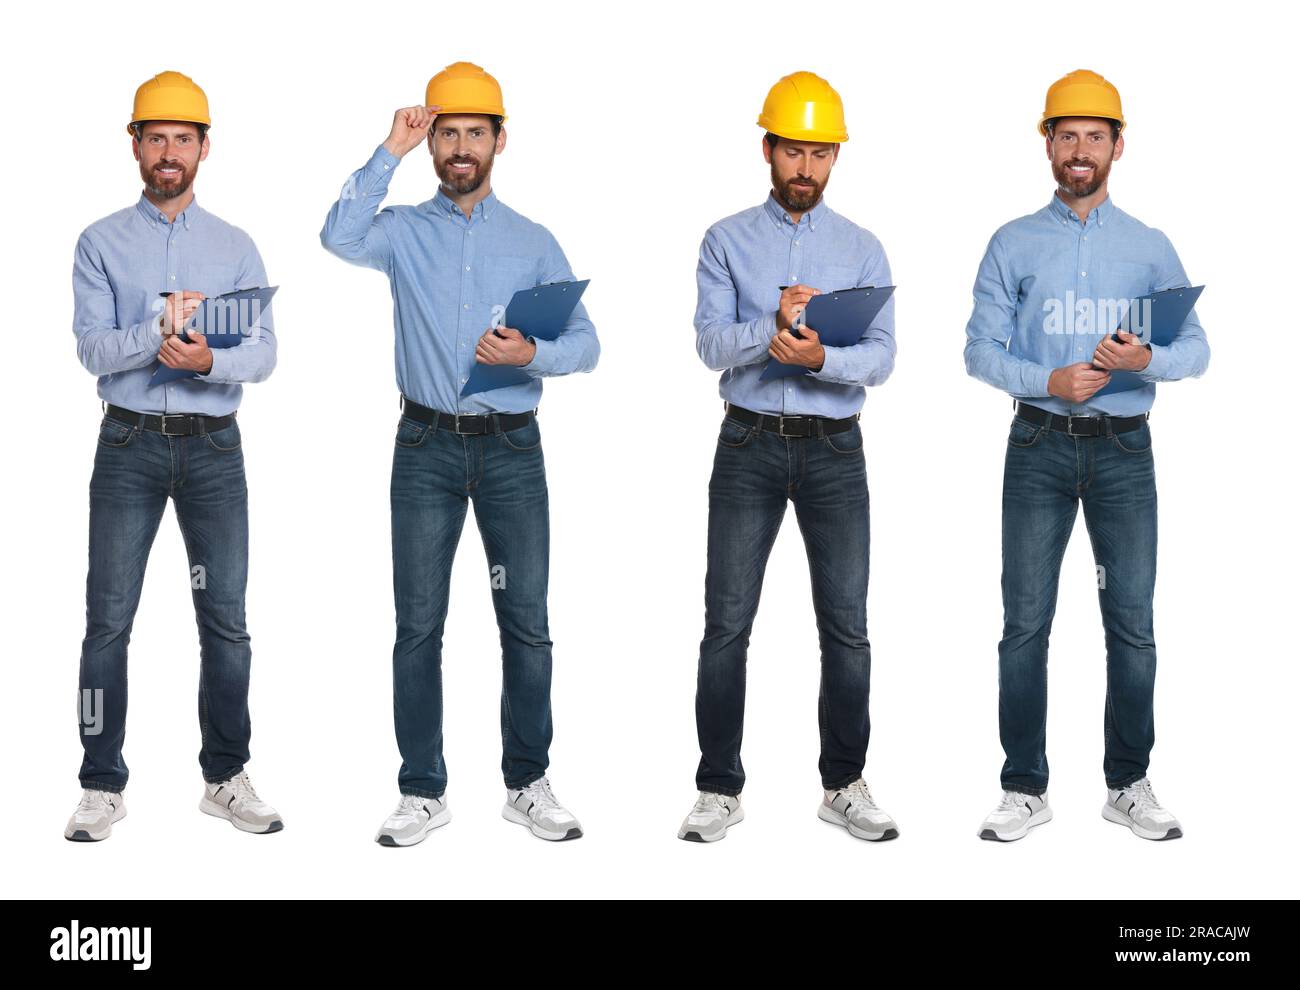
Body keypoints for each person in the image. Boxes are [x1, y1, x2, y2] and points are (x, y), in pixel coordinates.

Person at [320, 62, 599, 845]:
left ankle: (528, 782)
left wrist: (529, 354)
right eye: (447, 133)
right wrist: (388, 150)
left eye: (475, 132)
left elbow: (588, 345)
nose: (461, 146)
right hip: (425, 447)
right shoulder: (402, 232)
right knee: (418, 624)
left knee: (527, 623)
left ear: (499, 140)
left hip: (511, 448)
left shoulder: (533, 240)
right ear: (433, 142)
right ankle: (422, 790)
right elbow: (336, 234)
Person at [965, 69, 1208, 842]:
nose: (1080, 150)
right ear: (1046, 143)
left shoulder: (1149, 248)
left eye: (1094, 137)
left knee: (1131, 622)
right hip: (1037, 444)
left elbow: (1196, 347)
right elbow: (977, 349)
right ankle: (1023, 787)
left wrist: (1146, 363)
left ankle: (1128, 782)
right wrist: (1047, 378)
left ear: (1118, 146)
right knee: (1024, 624)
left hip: (1124, 454)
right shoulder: (1012, 242)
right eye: (1066, 135)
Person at [679, 71, 899, 843]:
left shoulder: (862, 248)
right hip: (747, 444)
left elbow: (881, 356)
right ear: (767, 149)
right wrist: (767, 326)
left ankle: (843, 783)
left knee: (846, 625)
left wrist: (818, 361)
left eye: (819, 153)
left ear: (835, 157)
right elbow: (710, 343)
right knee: (727, 623)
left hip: (836, 449)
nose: (804, 168)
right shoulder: (726, 239)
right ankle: (717, 787)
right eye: (792, 151)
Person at [67, 71, 281, 841]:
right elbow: (92, 348)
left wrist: (207, 365)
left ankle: (225, 775)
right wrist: (154, 335)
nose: (168, 152)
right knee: (107, 621)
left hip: (214, 451)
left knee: (225, 622)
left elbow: (263, 353)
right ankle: (99, 782)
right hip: (126, 444)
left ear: (203, 148)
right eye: (155, 137)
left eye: (182, 139)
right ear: (134, 145)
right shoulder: (99, 241)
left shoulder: (234, 246)